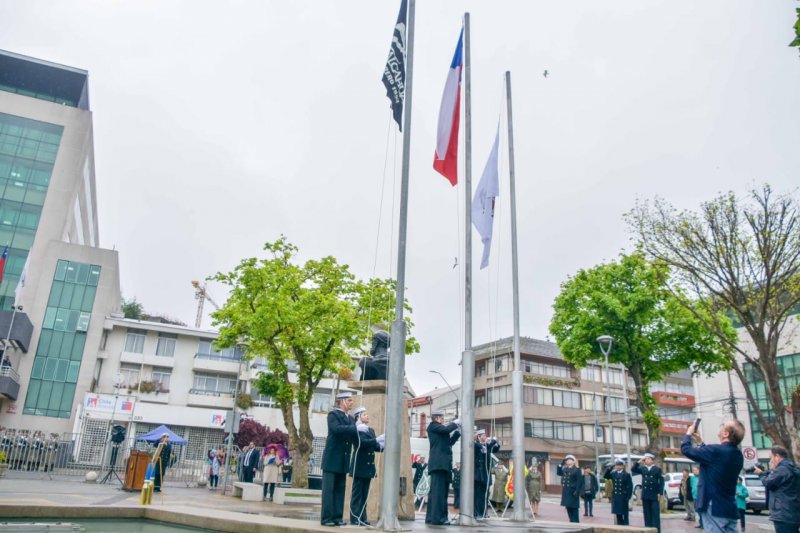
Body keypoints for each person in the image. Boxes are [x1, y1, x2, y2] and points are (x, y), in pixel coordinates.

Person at [681, 419, 746, 533]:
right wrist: (700, 442)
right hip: (729, 506)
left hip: (713, 505)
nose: (720, 427)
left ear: (726, 434)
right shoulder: (738, 455)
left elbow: (686, 450)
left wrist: (688, 434)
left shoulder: (716, 451)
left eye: (723, 426)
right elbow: (713, 461)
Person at [320, 391, 359, 527]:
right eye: (349, 400)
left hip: (343, 459)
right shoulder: (333, 415)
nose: (351, 403)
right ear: (342, 402)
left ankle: (337, 517)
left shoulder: (351, 419)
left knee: (340, 490)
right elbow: (336, 429)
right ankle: (326, 518)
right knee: (329, 491)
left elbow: (354, 437)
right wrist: (354, 428)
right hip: (332, 459)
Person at [754, 445, 800, 533]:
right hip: (791, 512)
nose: (770, 460)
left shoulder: (783, 469)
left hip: (783, 513)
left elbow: (769, 483)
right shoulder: (792, 468)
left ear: (777, 457)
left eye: (771, 457)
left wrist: (761, 474)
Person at [425, 410, 460, 525]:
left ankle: (435, 517)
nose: (443, 419)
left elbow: (449, 442)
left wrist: (457, 433)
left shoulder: (439, 430)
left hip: (444, 465)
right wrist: (455, 423)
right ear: (437, 418)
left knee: (441, 493)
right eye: (442, 417)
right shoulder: (433, 426)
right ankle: (437, 518)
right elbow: (446, 429)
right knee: (438, 493)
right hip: (438, 465)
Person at [349, 406, 382, 526]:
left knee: (364, 494)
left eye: (367, 414)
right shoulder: (356, 429)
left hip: (368, 466)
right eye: (364, 414)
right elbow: (362, 444)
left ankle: (363, 517)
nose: (367, 416)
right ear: (358, 417)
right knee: (357, 494)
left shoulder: (370, 430)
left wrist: (383, 445)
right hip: (360, 465)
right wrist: (377, 440)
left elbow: (374, 446)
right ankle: (355, 518)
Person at [632, 453, 665, 533]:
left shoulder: (657, 469)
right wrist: (639, 462)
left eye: (648, 459)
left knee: (655, 514)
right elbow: (633, 469)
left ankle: (656, 530)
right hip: (646, 494)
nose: (647, 460)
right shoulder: (643, 469)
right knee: (647, 514)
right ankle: (648, 529)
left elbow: (661, 481)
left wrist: (660, 493)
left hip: (654, 494)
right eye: (645, 459)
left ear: (652, 460)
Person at [474, 429, 500, 519]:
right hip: (478, 475)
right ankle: (477, 513)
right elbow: (484, 447)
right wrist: (492, 441)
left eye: (485, 436)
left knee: (485, 495)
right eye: (483, 436)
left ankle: (484, 512)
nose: (485, 437)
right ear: (479, 437)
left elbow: (495, 449)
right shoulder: (477, 445)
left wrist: (496, 442)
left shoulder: (486, 446)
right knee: (478, 495)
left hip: (485, 475)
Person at [604, 458, 633, 526]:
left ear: (623, 466)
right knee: (618, 514)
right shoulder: (613, 473)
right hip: (616, 496)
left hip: (623, 496)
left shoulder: (626, 475)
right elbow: (606, 476)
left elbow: (630, 486)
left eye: (619, 465)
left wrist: (628, 496)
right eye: (616, 465)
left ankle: (626, 526)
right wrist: (610, 468)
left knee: (625, 513)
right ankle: (619, 526)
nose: (617, 467)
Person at [557, 454, 582, 523]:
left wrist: (577, 491)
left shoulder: (577, 470)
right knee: (568, 507)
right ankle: (571, 522)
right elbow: (559, 473)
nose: (567, 461)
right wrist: (560, 465)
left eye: (569, 460)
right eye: (566, 460)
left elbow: (579, 481)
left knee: (574, 508)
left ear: (573, 461)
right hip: (566, 491)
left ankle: (576, 522)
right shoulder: (565, 469)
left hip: (573, 492)